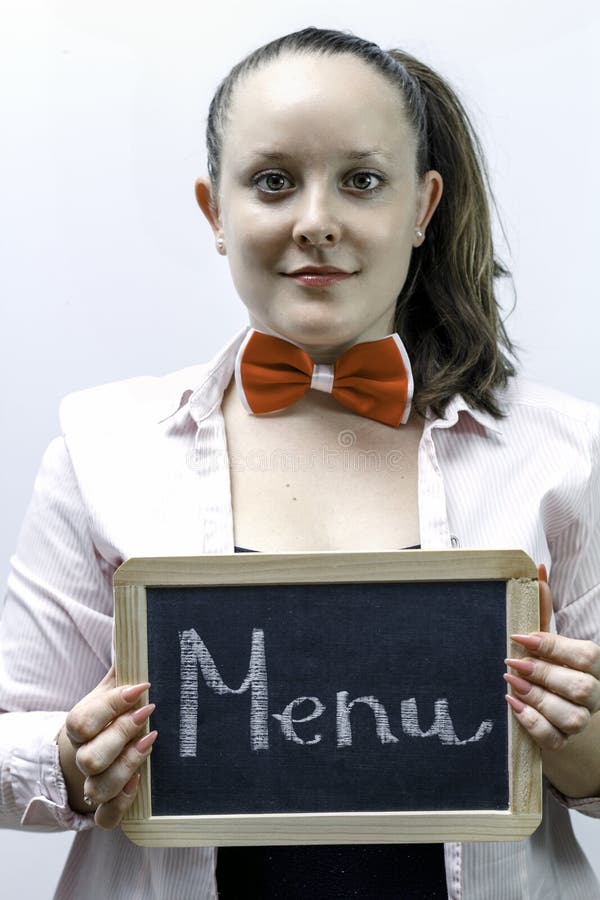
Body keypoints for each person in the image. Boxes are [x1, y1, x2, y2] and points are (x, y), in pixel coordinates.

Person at [1, 24, 599, 900]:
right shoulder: (101, 448)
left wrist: (588, 755)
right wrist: (68, 760)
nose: (316, 222)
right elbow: (13, 735)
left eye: (362, 181)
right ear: (215, 211)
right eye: (274, 181)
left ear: (423, 207)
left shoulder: (564, 454)